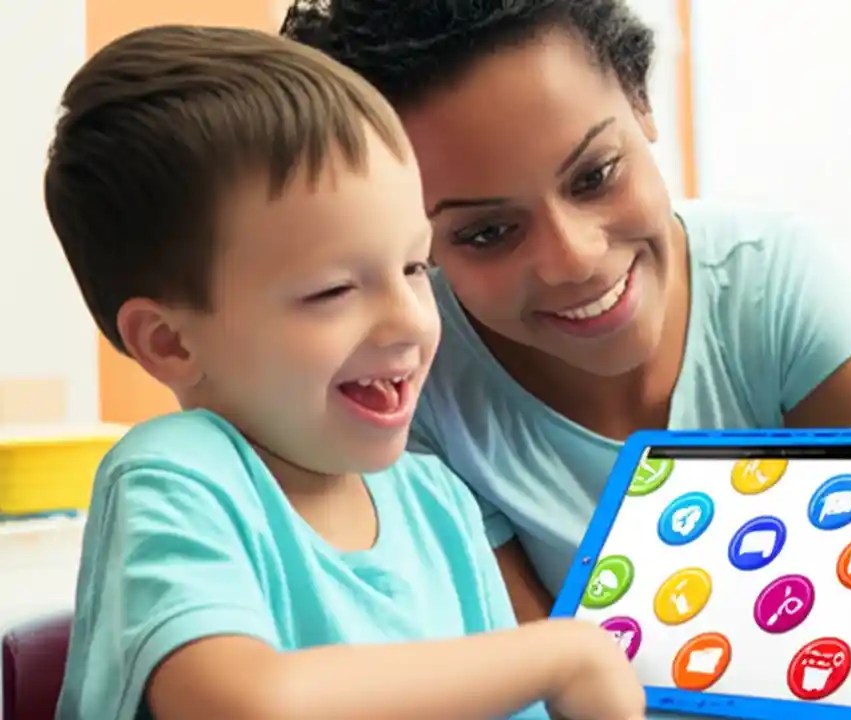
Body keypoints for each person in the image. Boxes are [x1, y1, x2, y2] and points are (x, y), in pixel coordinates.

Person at [282, 0, 851, 645]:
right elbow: (544, 683)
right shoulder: (416, 384)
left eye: (595, 176)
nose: (574, 258)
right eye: (488, 233)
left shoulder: (767, 281)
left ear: (640, 101)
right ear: (409, 235)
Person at [45, 25, 643, 720]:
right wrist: (555, 656)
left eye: (415, 268)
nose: (409, 321)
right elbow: (238, 703)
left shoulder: (438, 504)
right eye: (333, 291)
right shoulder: (177, 477)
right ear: (171, 343)